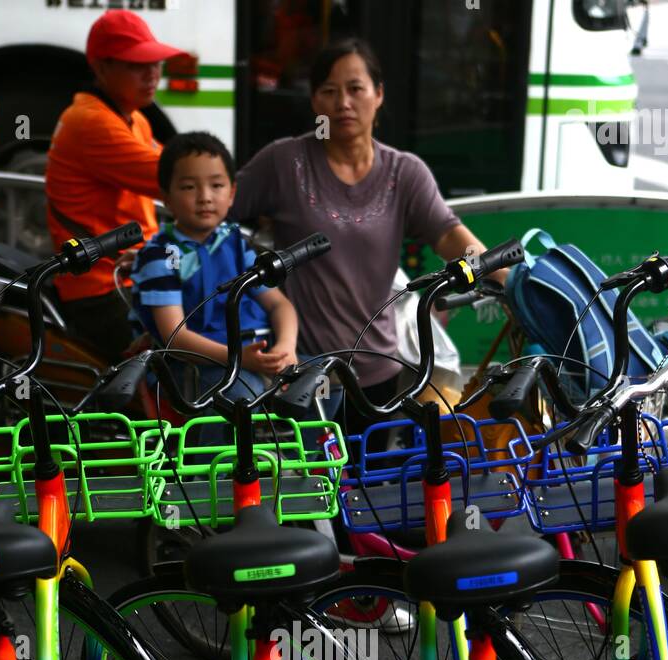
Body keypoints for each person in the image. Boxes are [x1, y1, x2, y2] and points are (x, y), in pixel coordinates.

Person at [231, 38, 501, 434]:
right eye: (329, 91)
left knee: (372, 490)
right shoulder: (284, 162)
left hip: (378, 368)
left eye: (355, 88)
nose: (343, 102)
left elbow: (446, 234)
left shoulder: (404, 172)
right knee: (312, 490)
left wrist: (505, 276)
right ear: (314, 102)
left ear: (378, 95)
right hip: (304, 373)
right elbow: (219, 211)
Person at [45, 11, 182, 362]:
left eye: (156, 63)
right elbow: (177, 180)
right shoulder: (94, 123)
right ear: (102, 68)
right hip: (105, 286)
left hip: (136, 271)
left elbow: (179, 171)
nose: (153, 74)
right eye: (138, 65)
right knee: (187, 353)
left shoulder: (133, 117)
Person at [128, 131, 300, 409]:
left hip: (257, 354)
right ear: (166, 198)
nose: (205, 197)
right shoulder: (162, 254)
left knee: (326, 381)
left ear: (232, 193)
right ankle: (210, 455)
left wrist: (286, 348)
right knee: (244, 392)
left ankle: (308, 455)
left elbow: (280, 305)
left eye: (217, 185)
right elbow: (175, 337)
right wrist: (238, 357)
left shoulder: (234, 244)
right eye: (188, 187)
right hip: (193, 367)